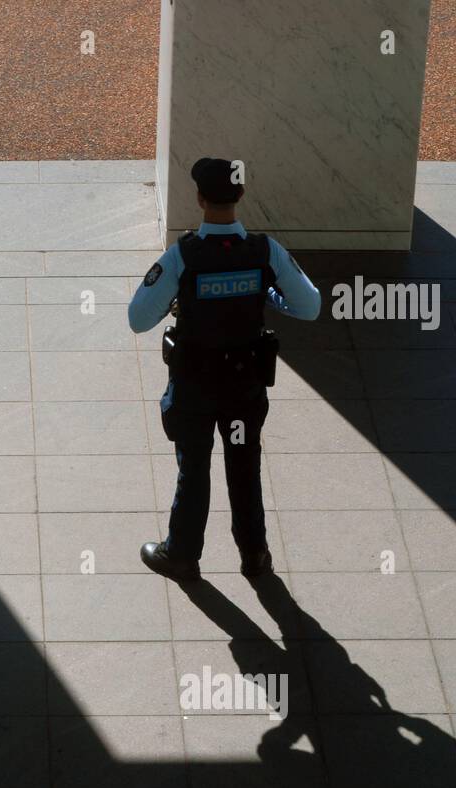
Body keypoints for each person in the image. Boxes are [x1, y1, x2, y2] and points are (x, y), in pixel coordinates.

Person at [128, 157, 322, 582]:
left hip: (195, 387)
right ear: (241, 194)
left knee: (194, 468)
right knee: (244, 467)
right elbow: (310, 306)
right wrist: (267, 293)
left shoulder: (183, 256)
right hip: (243, 385)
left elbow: (138, 318)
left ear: (199, 198)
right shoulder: (264, 251)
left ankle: (181, 555)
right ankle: (255, 557)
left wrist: (177, 300)